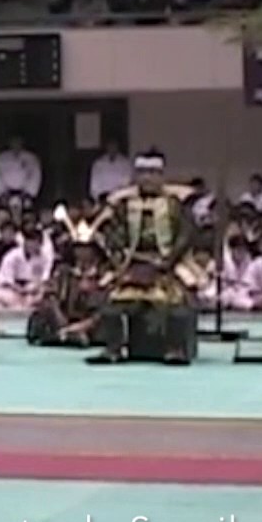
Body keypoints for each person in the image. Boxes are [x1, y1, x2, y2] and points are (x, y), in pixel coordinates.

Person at [88, 151, 199, 365]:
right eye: (143, 173)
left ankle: (175, 349)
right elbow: (114, 235)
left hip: (168, 264)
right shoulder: (123, 203)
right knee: (110, 301)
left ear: (161, 176)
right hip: (133, 264)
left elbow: (187, 234)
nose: (148, 178)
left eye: (153, 173)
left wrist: (169, 261)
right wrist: (121, 261)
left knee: (177, 301)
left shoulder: (177, 202)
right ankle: (114, 348)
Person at [27, 216, 108, 347]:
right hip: (63, 319)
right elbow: (50, 296)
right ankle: (64, 334)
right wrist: (62, 322)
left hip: (91, 322)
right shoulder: (63, 271)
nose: (81, 251)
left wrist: (83, 325)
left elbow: (104, 307)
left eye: (86, 247)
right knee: (43, 310)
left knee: (109, 315)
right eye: (78, 247)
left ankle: (69, 335)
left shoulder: (104, 273)